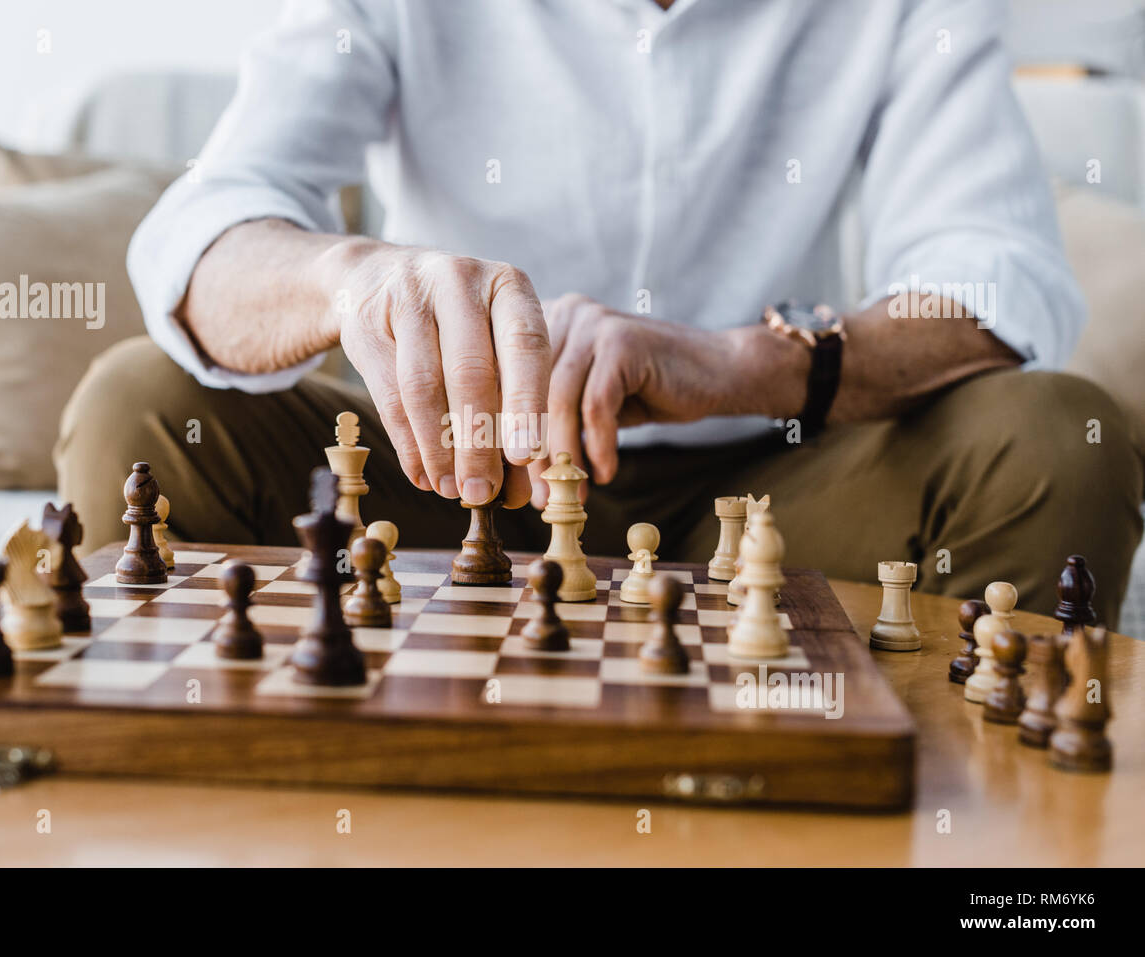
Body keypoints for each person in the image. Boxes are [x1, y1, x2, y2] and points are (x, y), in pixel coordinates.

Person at [57, 0, 1143, 626]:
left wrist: (739, 362)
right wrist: (350, 278)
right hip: (448, 486)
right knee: (137, 405)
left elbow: (994, 275)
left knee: (1051, 436)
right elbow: (206, 233)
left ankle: (952, 837)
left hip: (773, 494)